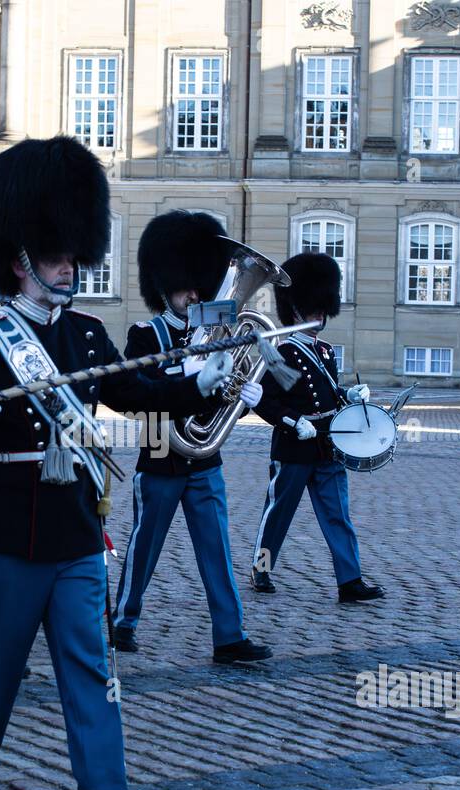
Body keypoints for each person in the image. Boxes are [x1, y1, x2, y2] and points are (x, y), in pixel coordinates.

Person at [0, 136, 234, 790]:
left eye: (71, 253)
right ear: (18, 259)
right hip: (2, 525)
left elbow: (135, 390)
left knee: (89, 664)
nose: (69, 266)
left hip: (74, 524)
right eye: (56, 255)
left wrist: (197, 383)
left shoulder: (87, 334)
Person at [110, 211, 269, 664]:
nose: (193, 294)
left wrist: (244, 392)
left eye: (198, 284)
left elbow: (228, 386)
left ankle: (229, 635)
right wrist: (185, 372)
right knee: (145, 545)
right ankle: (123, 621)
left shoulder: (221, 331)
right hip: (161, 452)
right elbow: (135, 391)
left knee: (216, 549)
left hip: (205, 454)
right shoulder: (145, 335)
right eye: (184, 287)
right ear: (166, 286)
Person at [249, 252, 384, 604]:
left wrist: (348, 396)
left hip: (326, 445)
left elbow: (327, 393)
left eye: (322, 308)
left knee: (338, 515)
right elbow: (266, 400)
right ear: (295, 309)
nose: (319, 315)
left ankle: (349, 580)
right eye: (312, 308)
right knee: (278, 514)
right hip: (294, 447)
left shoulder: (324, 352)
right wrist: (294, 421)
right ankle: (261, 568)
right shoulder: (282, 353)